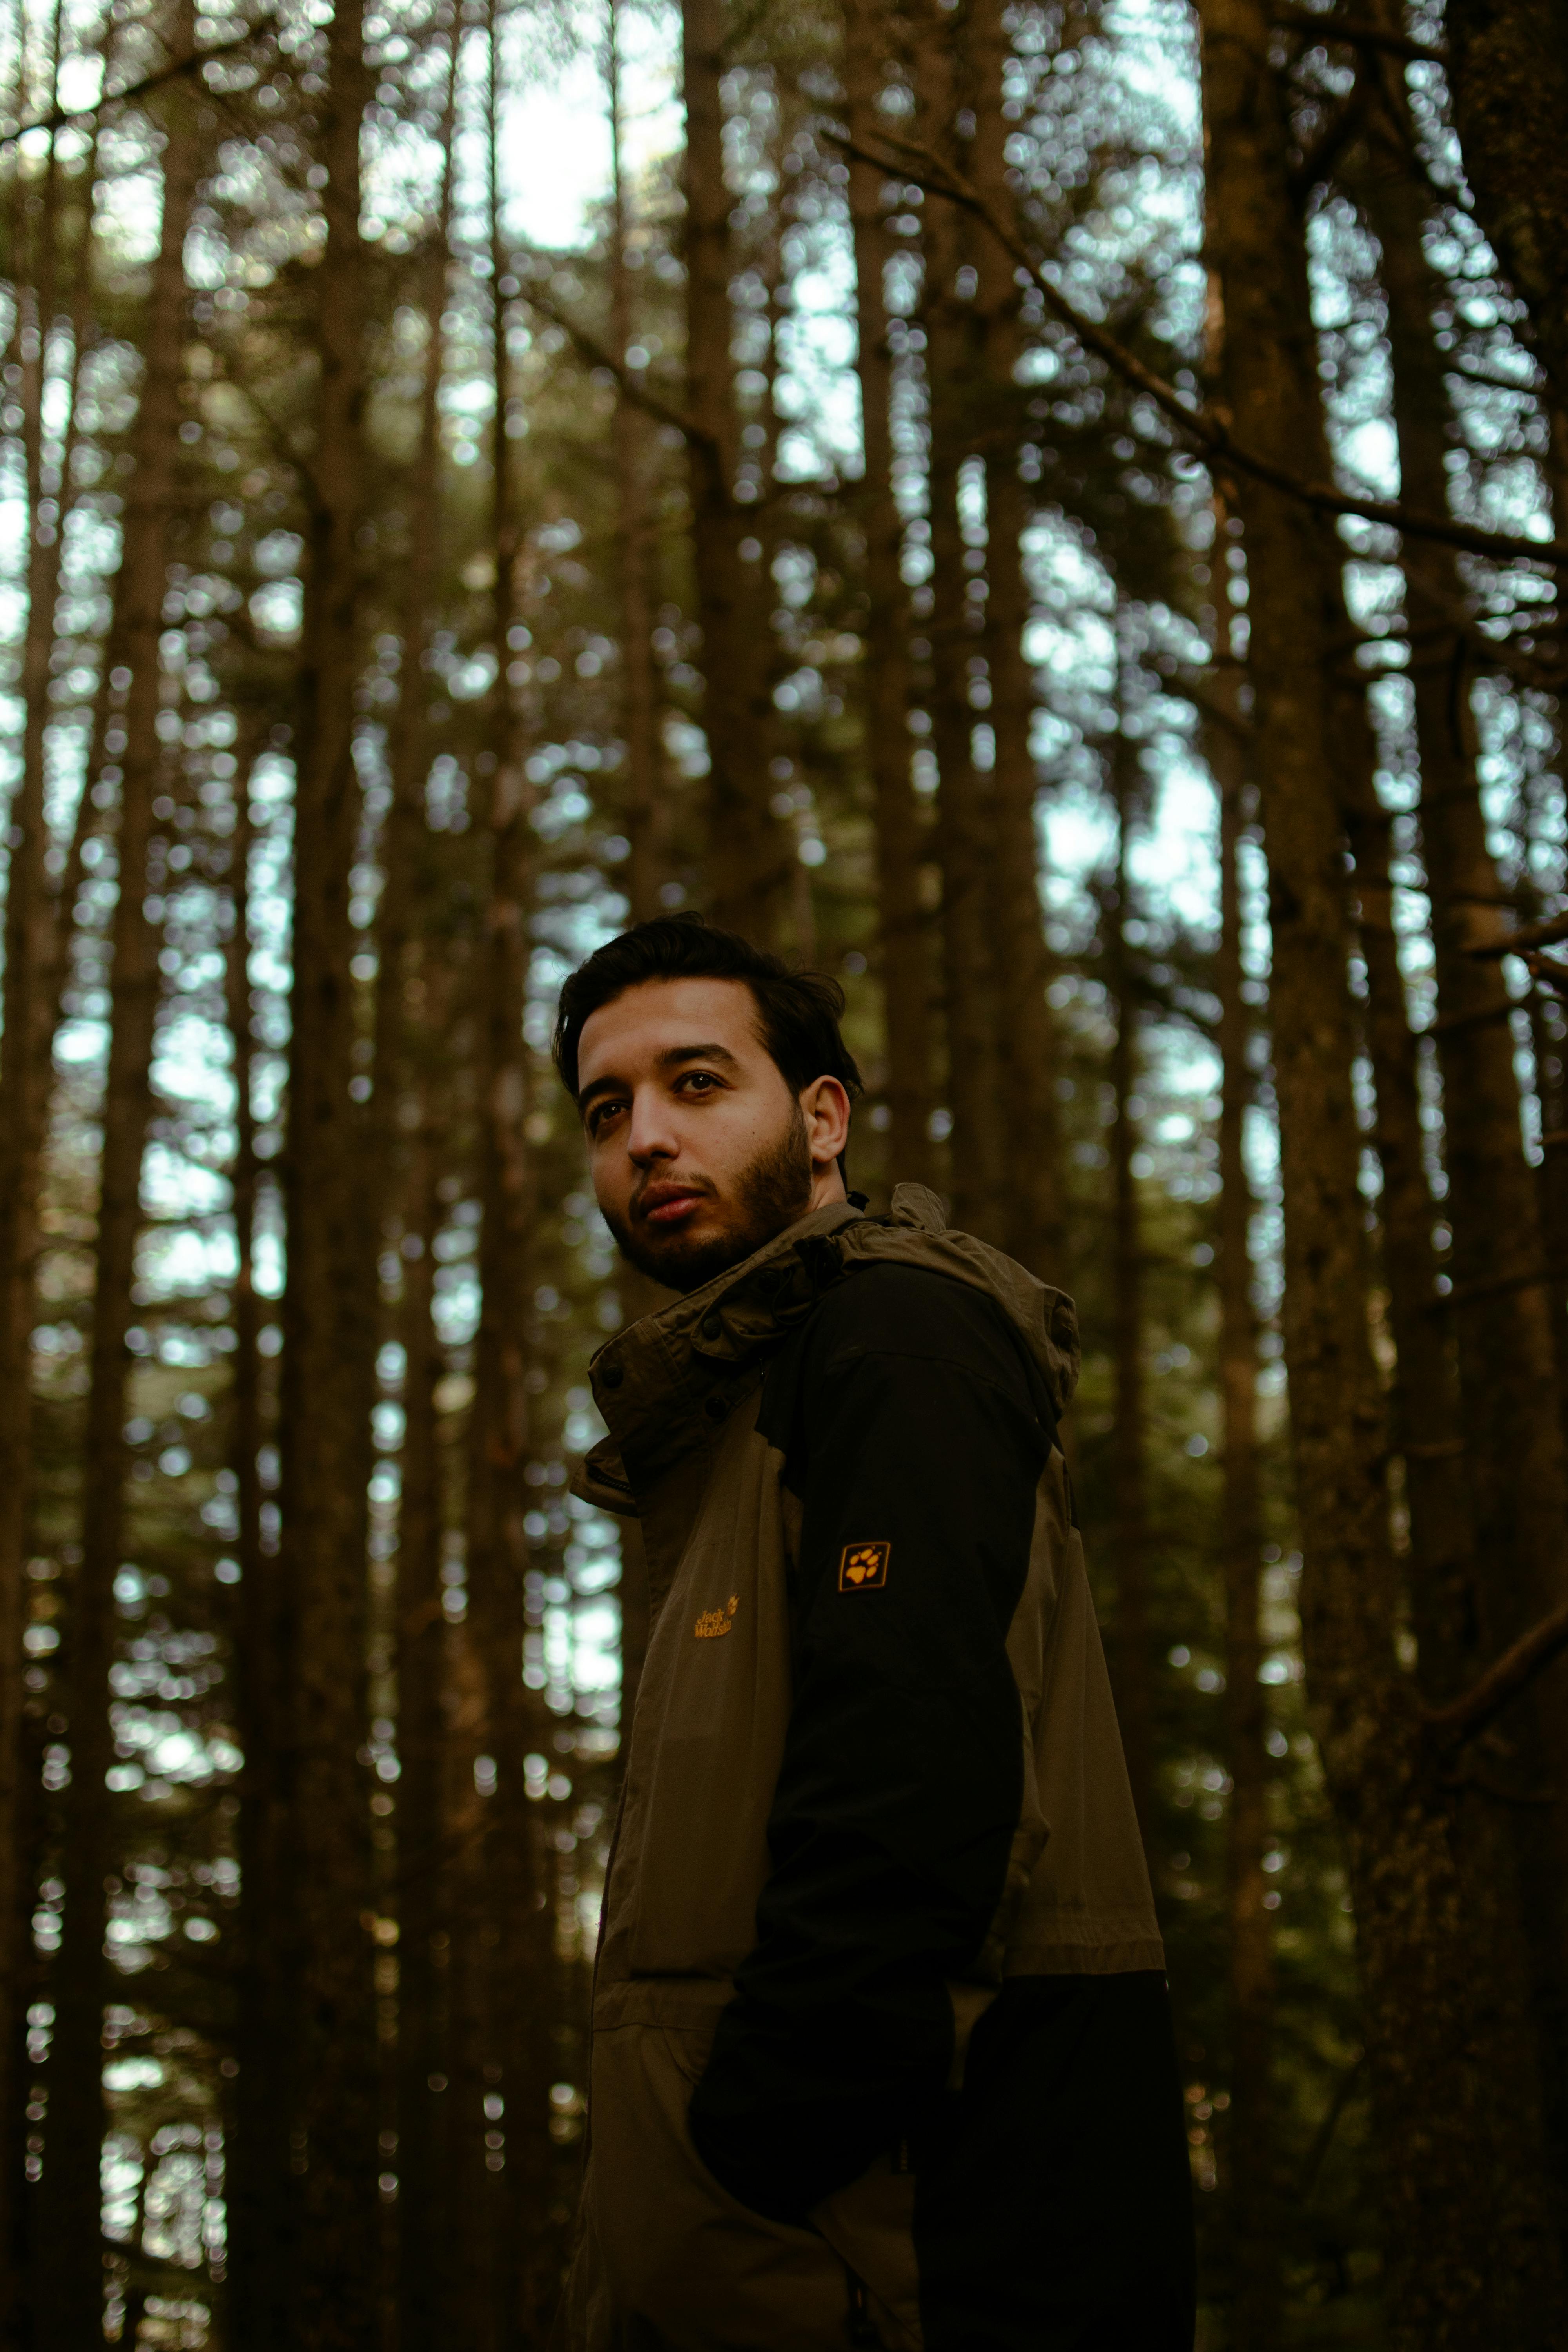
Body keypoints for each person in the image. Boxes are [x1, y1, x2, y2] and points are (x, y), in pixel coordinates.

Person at [554, 915, 1195, 2352]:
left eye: (698, 1084)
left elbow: (918, 1787)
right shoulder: (748, 1401)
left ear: (824, 1116)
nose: (647, 1138)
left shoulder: (895, 1337)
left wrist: (752, 2148)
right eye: (611, 1110)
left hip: (914, 2239)